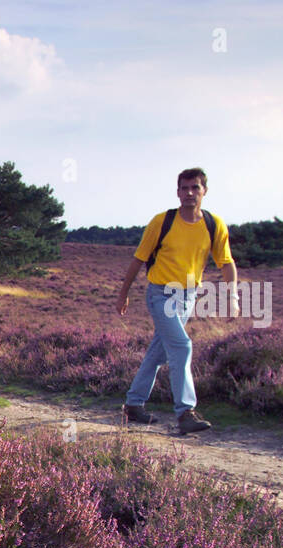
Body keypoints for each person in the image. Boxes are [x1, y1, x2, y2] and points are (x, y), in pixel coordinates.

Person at [116, 167, 238, 434]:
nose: (189, 193)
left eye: (195, 187)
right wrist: (124, 293)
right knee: (181, 346)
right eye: (184, 188)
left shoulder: (213, 224)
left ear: (204, 191)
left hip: (188, 296)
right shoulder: (162, 222)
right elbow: (138, 259)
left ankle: (133, 405)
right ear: (177, 192)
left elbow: (226, 262)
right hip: (160, 294)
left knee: (159, 353)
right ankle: (185, 412)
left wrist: (233, 296)